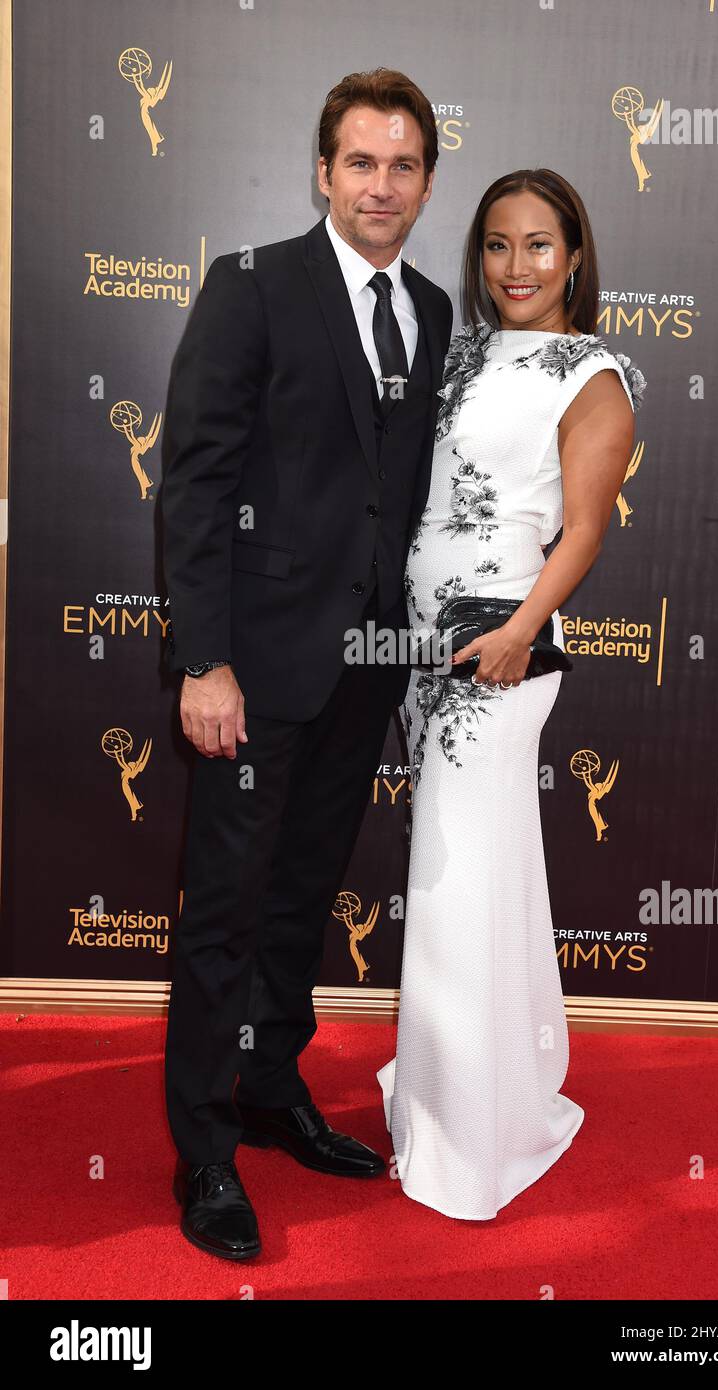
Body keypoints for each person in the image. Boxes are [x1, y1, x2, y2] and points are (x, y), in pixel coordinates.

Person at [160, 68, 453, 1260]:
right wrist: (204, 661)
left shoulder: (432, 311)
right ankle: (204, 1152)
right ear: (323, 171)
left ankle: (271, 1092)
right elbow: (195, 482)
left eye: (404, 165)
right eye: (361, 163)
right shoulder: (253, 288)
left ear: (426, 180)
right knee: (223, 912)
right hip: (255, 667)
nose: (382, 186)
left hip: (365, 672)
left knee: (297, 902)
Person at [377, 168, 645, 1220]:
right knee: (483, 870)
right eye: (496, 245)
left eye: (539, 244)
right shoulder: (458, 354)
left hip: (498, 647)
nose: (516, 266)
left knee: (456, 879)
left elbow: (582, 528)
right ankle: (508, 1081)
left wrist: (518, 633)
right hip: (419, 645)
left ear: (573, 254)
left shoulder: (594, 373)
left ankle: (469, 1139)